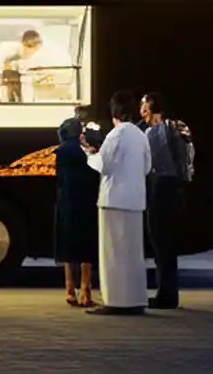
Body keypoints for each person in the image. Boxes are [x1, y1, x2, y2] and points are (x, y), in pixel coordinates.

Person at [83, 90, 152, 315]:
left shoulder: (116, 134)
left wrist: (89, 154)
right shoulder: (140, 135)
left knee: (112, 254)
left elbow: (103, 164)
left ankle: (116, 301)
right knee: (133, 254)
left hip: (114, 200)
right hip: (136, 200)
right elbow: (147, 166)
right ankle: (135, 299)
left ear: (115, 113)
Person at [141, 92, 182, 309]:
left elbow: (149, 162)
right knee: (167, 245)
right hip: (173, 187)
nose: (142, 112)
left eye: (145, 107)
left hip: (160, 186)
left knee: (161, 242)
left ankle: (165, 295)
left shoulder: (154, 133)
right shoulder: (174, 129)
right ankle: (168, 293)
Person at [56, 111, 100, 307]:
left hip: (66, 202)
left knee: (68, 245)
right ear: (80, 133)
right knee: (86, 246)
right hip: (87, 202)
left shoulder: (61, 152)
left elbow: (59, 181)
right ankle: (86, 290)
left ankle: (69, 290)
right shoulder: (87, 152)